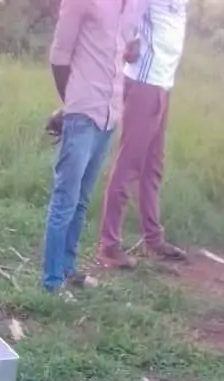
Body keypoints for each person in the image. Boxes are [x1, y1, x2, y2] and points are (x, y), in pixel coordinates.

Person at [43, 0, 142, 294]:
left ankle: (68, 269)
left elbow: (124, 47)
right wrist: (73, 103)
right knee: (66, 198)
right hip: (84, 111)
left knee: (82, 199)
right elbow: (59, 56)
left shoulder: (132, 5)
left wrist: (131, 50)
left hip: (110, 113)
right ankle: (52, 283)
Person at [98, 0, 189, 268]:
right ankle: (109, 246)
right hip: (144, 82)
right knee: (128, 165)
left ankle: (153, 239)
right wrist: (131, 39)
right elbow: (125, 13)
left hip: (163, 83)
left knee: (153, 167)